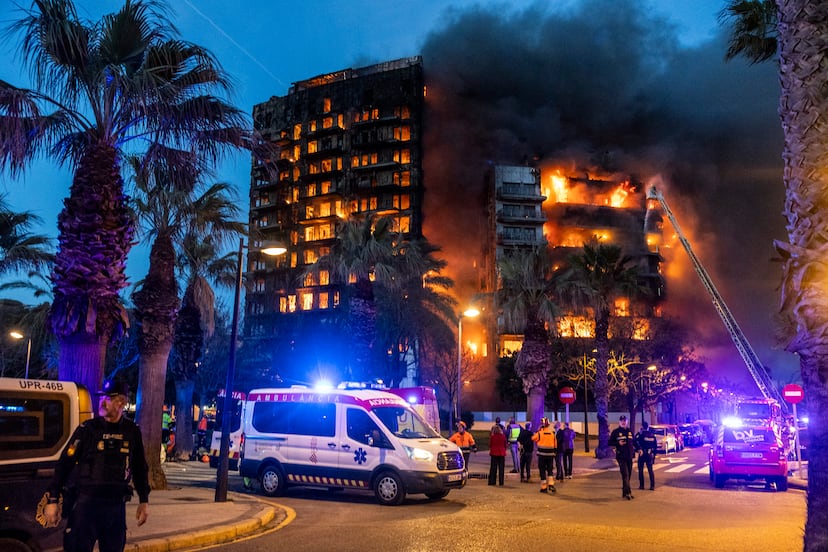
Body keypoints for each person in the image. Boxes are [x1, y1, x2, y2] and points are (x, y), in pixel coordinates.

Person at [42, 379, 150, 552]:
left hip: (115, 509)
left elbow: (139, 467)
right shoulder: (87, 429)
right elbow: (64, 464)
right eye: (101, 398)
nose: (102, 402)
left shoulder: (131, 431)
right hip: (85, 507)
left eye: (108, 398)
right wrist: (53, 499)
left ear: (121, 402)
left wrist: (144, 500)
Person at [608, 415, 636, 500]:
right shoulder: (616, 432)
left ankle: (624, 492)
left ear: (627, 422)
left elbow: (634, 442)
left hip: (629, 456)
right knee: (625, 474)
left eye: (625, 420)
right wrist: (618, 443)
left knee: (629, 475)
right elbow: (610, 442)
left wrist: (639, 449)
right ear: (619, 422)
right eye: (622, 421)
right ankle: (628, 493)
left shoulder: (629, 431)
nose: (623, 422)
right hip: (621, 456)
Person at [532, 417, 557, 494]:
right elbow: (555, 445)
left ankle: (544, 487)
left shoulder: (539, 433)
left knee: (542, 470)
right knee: (550, 470)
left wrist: (538, 431)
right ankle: (551, 485)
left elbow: (533, 438)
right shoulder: (552, 434)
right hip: (550, 455)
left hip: (542, 455)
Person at [635, 421, 657, 490]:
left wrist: (639, 432)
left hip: (642, 454)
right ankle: (652, 486)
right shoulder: (652, 435)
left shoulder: (641, 435)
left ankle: (642, 485)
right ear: (647, 427)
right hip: (649, 453)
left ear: (642, 427)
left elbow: (635, 441)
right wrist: (653, 455)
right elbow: (655, 446)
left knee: (641, 470)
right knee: (650, 470)